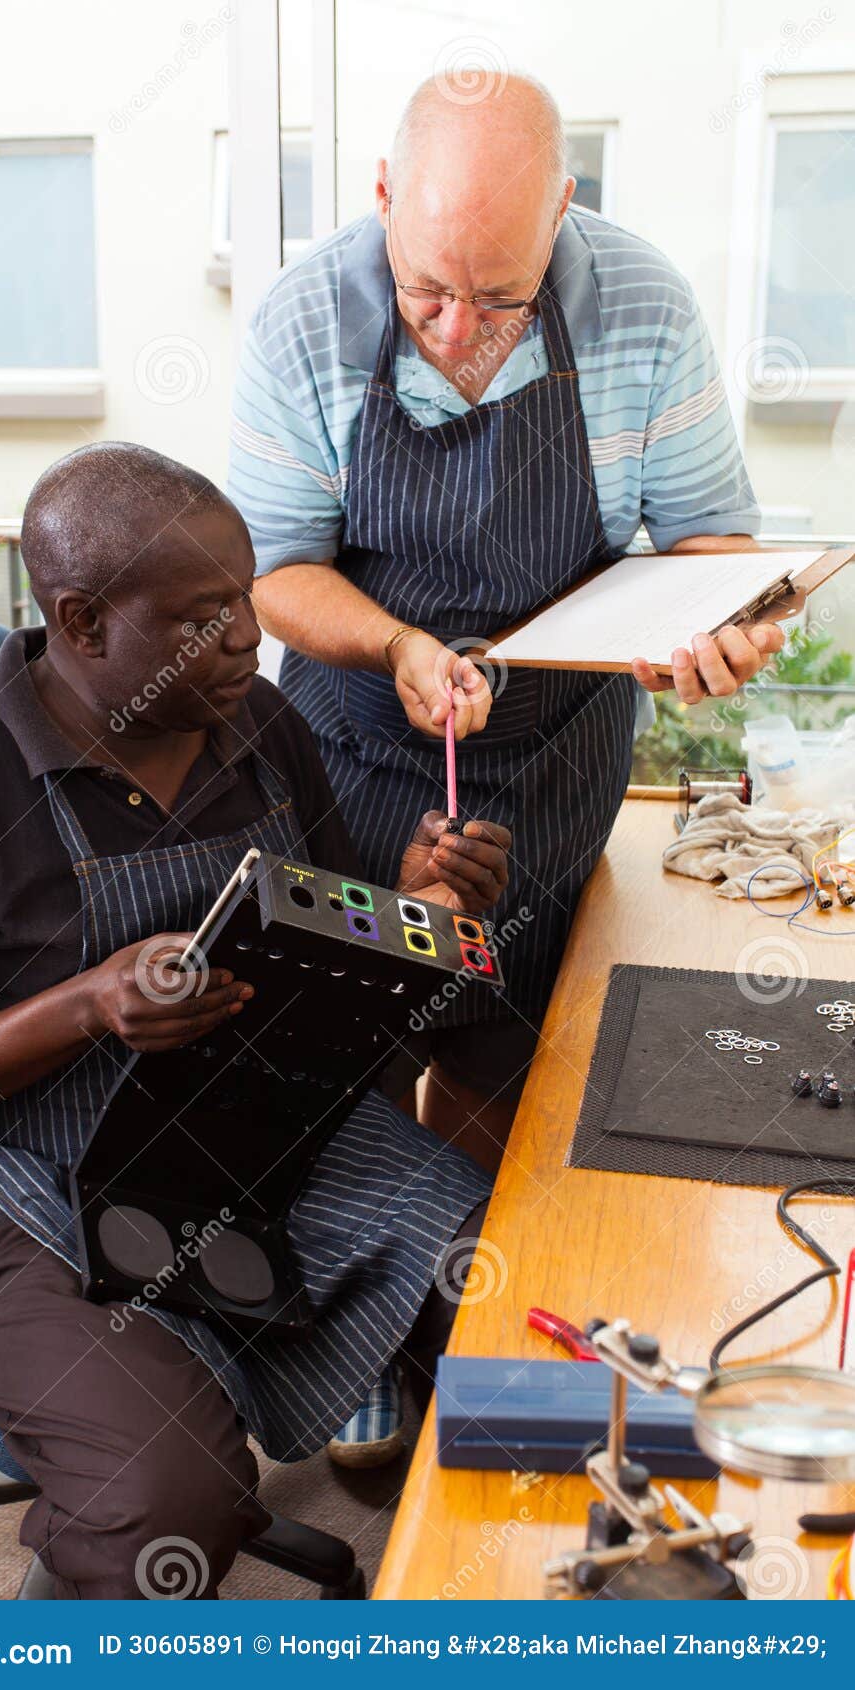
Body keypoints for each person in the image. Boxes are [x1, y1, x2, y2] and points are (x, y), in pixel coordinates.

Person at [0, 442, 507, 1600]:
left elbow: (331, 937)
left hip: (259, 1129)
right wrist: (86, 1004)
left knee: (510, 1297)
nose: (247, 633)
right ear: (83, 623)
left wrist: (414, 902)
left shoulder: (262, 727)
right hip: (32, 1175)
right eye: (204, 616)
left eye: (244, 598)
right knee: (168, 1495)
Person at [228, 68, 782, 1176]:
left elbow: (710, 543)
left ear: (562, 207)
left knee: (499, 1111)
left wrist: (722, 626)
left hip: (552, 773)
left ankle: (465, 1323)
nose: (458, 331)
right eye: (427, 290)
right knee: (336, 1101)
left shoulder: (642, 306)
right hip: (346, 768)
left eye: (502, 298)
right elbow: (273, 570)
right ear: (382, 194)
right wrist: (395, 644)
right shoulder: (302, 316)